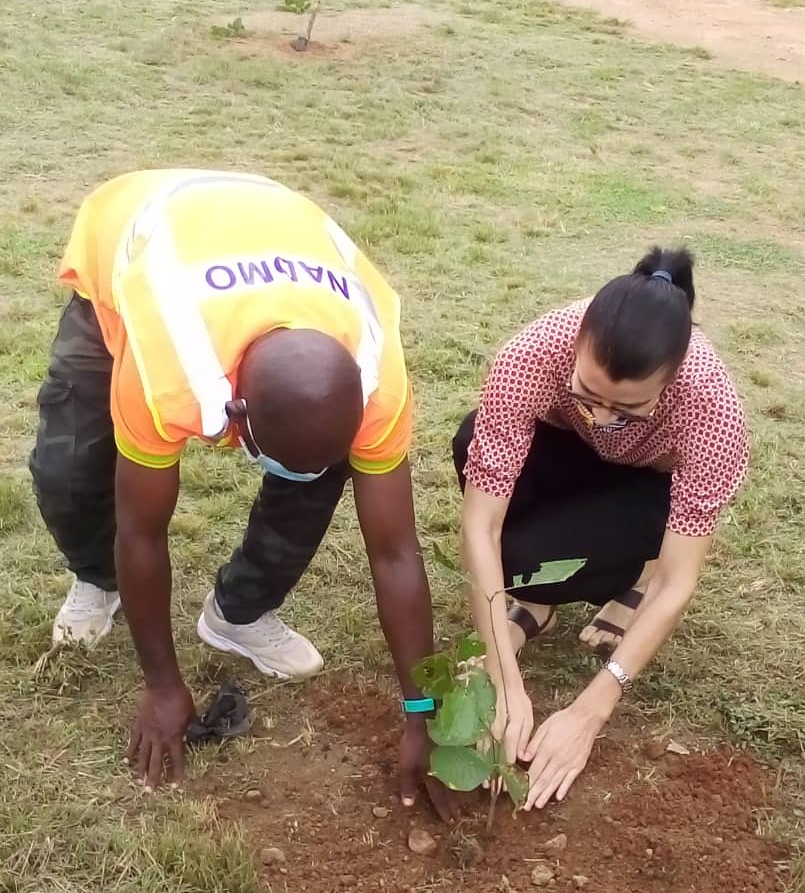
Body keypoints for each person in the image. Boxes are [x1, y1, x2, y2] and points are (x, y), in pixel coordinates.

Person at [30, 168, 452, 816]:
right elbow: (142, 530)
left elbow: (396, 552)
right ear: (235, 413)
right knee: (70, 467)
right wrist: (163, 686)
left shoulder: (377, 382)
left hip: (276, 227)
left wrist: (423, 714)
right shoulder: (168, 366)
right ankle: (96, 580)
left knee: (316, 473)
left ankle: (239, 612)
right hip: (135, 241)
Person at [454, 247, 748, 812]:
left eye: (628, 408)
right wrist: (500, 676)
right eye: (588, 395)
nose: (603, 417)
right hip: (568, 454)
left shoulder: (711, 409)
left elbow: (679, 581)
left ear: (673, 378)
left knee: (550, 558)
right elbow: (481, 523)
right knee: (475, 444)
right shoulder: (534, 353)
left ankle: (630, 577)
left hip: (645, 488)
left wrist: (590, 711)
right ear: (577, 344)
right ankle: (537, 606)